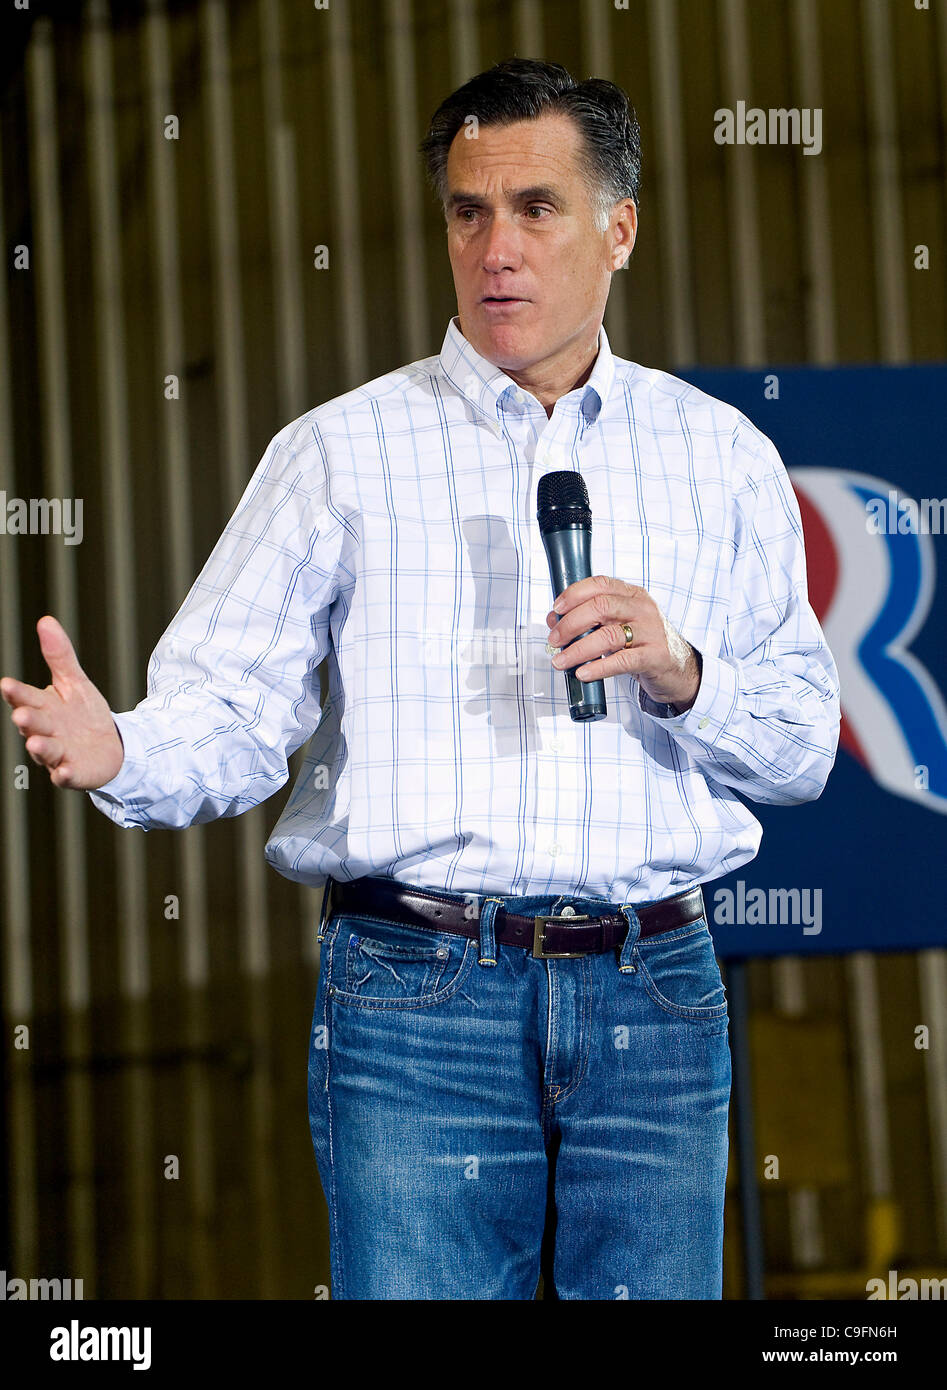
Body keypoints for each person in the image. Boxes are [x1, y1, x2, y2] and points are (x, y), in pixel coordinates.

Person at [1, 58, 840, 1300]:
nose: (494, 247)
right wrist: (123, 748)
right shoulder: (339, 451)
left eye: (535, 209)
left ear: (619, 228)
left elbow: (803, 747)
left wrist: (682, 673)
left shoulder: (721, 458)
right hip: (416, 997)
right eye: (466, 210)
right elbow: (232, 711)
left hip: (656, 996)